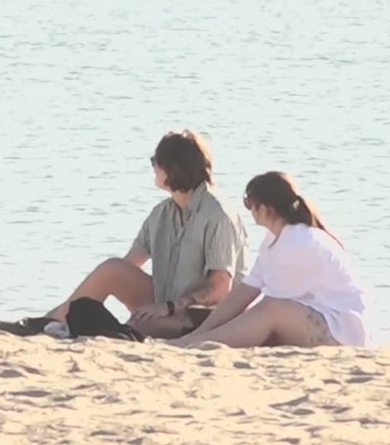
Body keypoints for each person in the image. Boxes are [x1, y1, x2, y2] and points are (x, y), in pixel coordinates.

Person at [44, 129, 250, 339]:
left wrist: (168, 307)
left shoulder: (218, 214)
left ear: (172, 168)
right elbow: (129, 264)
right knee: (112, 269)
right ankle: (49, 322)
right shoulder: (162, 213)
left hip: (208, 316)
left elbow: (220, 290)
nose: (153, 167)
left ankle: (102, 331)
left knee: (139, 325)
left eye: (155, 161)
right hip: (168, 303)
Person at [169, 171, 370, 348]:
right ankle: (196, 339)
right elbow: (247, 290)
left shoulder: (298, 242)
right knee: (255, 312)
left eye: (249, 203)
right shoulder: (274, 239)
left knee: (270, 309)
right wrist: (204, 329)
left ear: (265, 208)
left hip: (343, 332)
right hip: (318, 320)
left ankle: (192, 344)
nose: (248, 209)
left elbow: (272, 305)